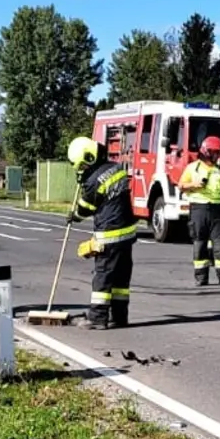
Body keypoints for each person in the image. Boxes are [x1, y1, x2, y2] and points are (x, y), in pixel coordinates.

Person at [66, 136, 138, 329]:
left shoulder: (92, 181)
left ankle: (97, 318)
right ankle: (119, 316)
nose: (81, 170)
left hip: (109, 235)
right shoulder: (117, 169)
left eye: (80, 166)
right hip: (127, 234)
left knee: (103, 276)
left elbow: (85, 208)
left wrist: (74, 216)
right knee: (121, 280)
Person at [179, 135, 220, 287]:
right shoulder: (193, 168)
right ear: (208, 152)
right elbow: (181, 186)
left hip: (217, 210)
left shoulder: (219, 170)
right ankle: (201, 278)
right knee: (200, 244)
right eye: (217, 153)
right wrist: (194, 184)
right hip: (198, 208)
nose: (218, 156)